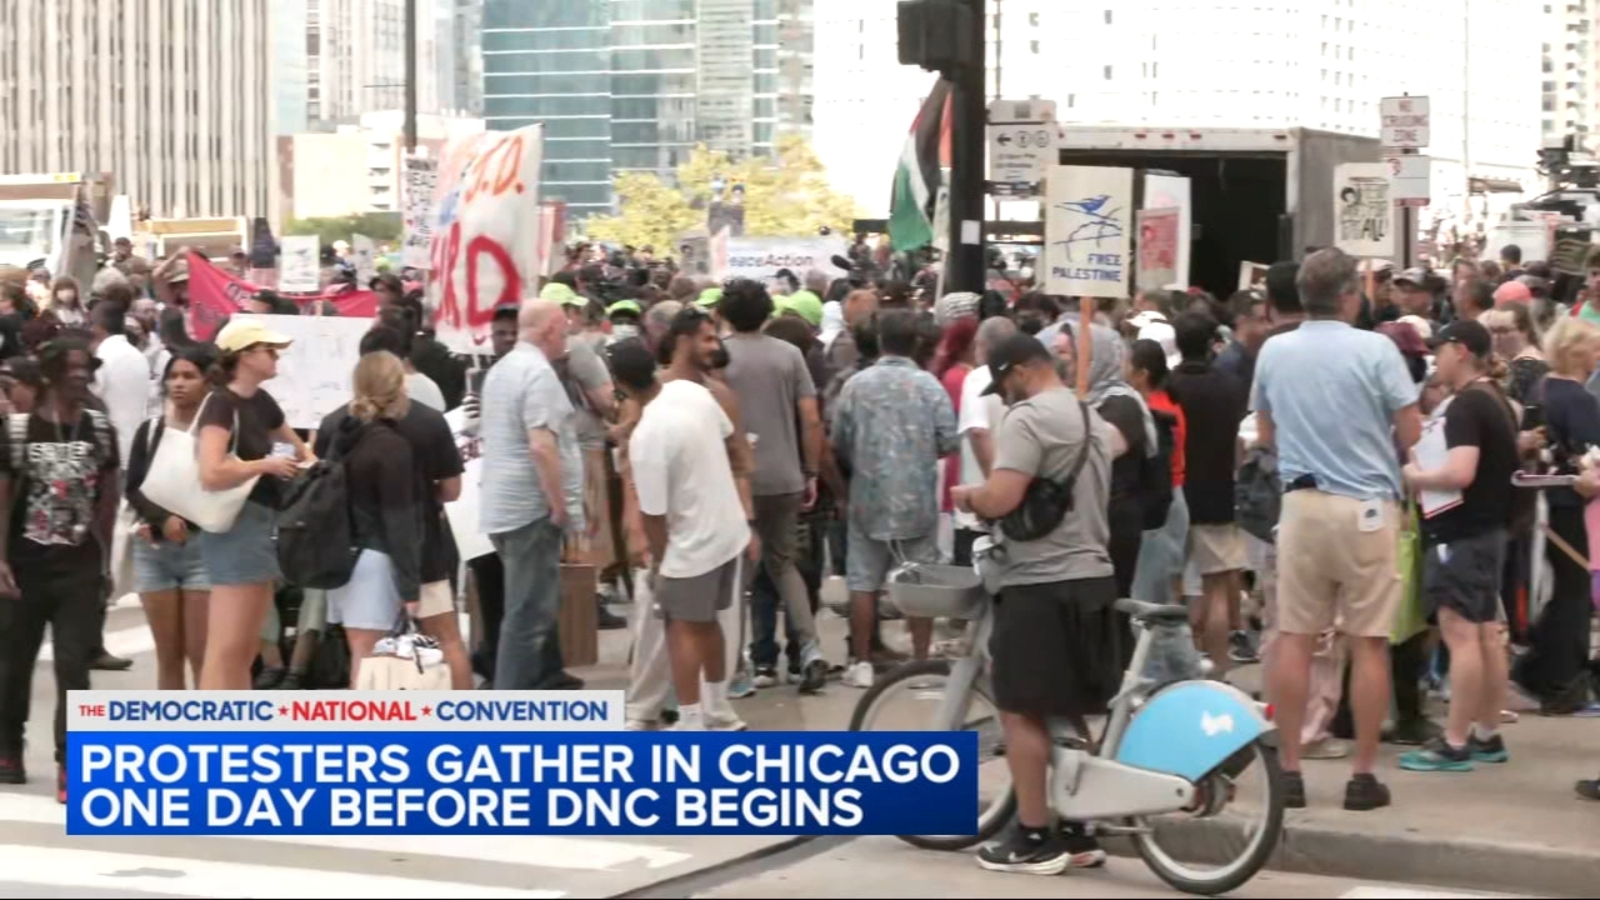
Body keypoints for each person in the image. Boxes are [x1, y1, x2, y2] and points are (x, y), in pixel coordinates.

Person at [1253, 248, 1422, 812]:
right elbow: (1411, 428)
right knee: (1368, 640)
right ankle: (1363, 773)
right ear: (1351, 294)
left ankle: (1291, 768)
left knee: (1295, 638)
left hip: (1301, 503)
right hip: (1367, 506)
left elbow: (1264, 430)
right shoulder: (1377, 350)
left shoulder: (1275, 351)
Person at [952, 334, 1120, 874]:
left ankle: (1031, 836)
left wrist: (969, 497)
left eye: (1003, 387)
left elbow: (1002, 497)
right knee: (1067, 707)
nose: (1004, 398)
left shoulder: (1027, 419)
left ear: (1020, 372)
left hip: (1040, 579)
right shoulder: (1091, 416)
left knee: (1019, 706)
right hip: (1094, 576)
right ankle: (1077, 828)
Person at [0, 336, 119, 804]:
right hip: (24, 567)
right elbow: (4, 498)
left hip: (80, 567)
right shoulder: (17, 431)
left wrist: (106, 557)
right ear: (49, 373)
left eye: (84, 367)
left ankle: (71, 761)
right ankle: (8, 748)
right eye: (69, 367)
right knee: (13, 665)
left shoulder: (100, 429)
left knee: (74, 666)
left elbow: (109, 495)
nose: (79, 374)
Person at [317, 331, 468, 689]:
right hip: (419, 550)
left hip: (348, 553)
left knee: (364, 652)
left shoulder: (333, 425)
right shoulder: (427, 422)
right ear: (402, 379)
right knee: (446, 641)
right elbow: (451, 489)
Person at [1399, 320, 1518, 772]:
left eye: (1442, 349)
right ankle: (1486, 733)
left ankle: (1454, 741)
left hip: (1462, 533)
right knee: (1486, 633)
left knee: (1462, 634)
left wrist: (1417, 477)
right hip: (1488, 531)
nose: (1436, 358)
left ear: (1462, 351)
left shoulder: (1468, 405)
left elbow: (1460, 472)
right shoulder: (1495, 400)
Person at [621, 337, 755, 732]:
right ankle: (719, 711)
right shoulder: (691, 392)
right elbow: (731, 438)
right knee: (709, 622)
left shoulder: (646, 439)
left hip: (691, 545)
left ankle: (691, 719)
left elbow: (654, 516)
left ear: (622, 387)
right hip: (727, 531)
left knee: (681, 630)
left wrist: (661, 565)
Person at [831, 308, 959, 688]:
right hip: (917, 495)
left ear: (881, 341)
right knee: (920, 580)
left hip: (867, 494)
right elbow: (948, 440)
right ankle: (920, 663)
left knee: (863, 580)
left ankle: (862, 661)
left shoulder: (856, 385)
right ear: (916, 343)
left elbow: (840, 438)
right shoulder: (929, 386)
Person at [721, 279, 830, 692]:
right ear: (768, 312)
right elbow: (811, 417)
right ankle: (811, 647)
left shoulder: (719, 357)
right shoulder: (788, 356)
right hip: (786, 473)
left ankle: (737, 665)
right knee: (784, 564)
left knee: (739, 574)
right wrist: (811, 471)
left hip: (736, 478)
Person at [195, 320, 313, 690]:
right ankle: (209, 733)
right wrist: (266, 465)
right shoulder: (220, 403)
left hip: (261, 524)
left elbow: (300, 450)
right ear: (244, 355)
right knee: (227, 646)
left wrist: (308, 462)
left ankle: (238, 724)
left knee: (246, 646)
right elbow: (211, 472)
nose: (276, 357)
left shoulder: (261, 402)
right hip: (236, 528)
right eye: (269, 350)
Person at [478, 300, 585, 691]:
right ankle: (510, 710)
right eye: (564, 332)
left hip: (505, 507)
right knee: (528, 616)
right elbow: (542, 446)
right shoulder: (537, 374)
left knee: (524, 610)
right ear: (548, 331)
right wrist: (558, 503)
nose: (566, 340)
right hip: (530, 510)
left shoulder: (502, 370)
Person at [1513, 317, 1600, 714]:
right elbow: (1590, 459)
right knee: (1573, 591)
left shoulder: (1541, 389)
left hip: (1538, 501)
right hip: (1567, 505)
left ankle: (1540, 668)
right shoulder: (1580, 400)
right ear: (1579, 352)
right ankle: (1559, 678)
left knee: (1563, 589)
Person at [325, 351, 425, 685]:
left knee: (361, 653)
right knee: (372, 659)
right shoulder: (393, 447)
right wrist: (411, 587)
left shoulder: (339, 433)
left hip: (341, 556)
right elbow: (400, 520)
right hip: (376, 558)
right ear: (398, 389)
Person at [126, 344, 218, 691]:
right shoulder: (150, 431)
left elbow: (222, 487)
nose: (179, 383)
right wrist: (161, 518)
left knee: (201, 654)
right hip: (155, 550)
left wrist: (188, 519)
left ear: (207, 383)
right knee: (168, 657)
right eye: (173, 376)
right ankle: (170, 736)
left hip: (202, 549)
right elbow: (133, 486)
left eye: (188, 376)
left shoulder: (217, 432)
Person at [1169, 311, 1248, 674]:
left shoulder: (1169, 386)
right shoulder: (1230, 385)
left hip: (1175, 493)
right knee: (1215, 587)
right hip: (1218, 492)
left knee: (1174, 586)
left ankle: (1179, 666)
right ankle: (1219, 668)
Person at [1128, 338, 1189, 606]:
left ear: (1142, 374)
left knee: (1150, 597)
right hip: (1170, 499)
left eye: (1125, 365)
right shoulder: (1166, 403)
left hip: (1160, 504)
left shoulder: (1155, 412)